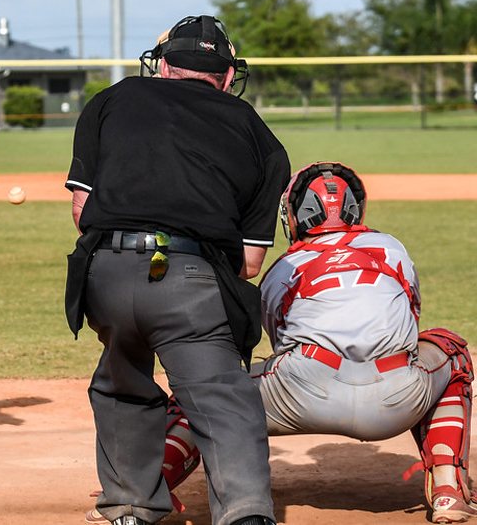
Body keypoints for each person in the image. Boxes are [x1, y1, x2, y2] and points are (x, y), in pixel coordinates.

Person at [156, 161, 476, 524]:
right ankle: (449, 492)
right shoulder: (391, 247)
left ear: (295, 214)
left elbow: (279, 340)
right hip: (397, 396)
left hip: (303, 389)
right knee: (453, 352)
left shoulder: (286, 264)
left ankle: (150, 487)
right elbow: (409, 319)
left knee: (206, 389)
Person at [65, 14, 289, 525]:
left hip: (106, 275)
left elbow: (82, 214)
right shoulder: (256, 131)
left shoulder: (112, 99)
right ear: (229, 76)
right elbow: (250, 262)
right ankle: (246, 514)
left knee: (121, 383)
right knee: (221, 396)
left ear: (162, 66)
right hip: (190, 279)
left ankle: (128, 507)